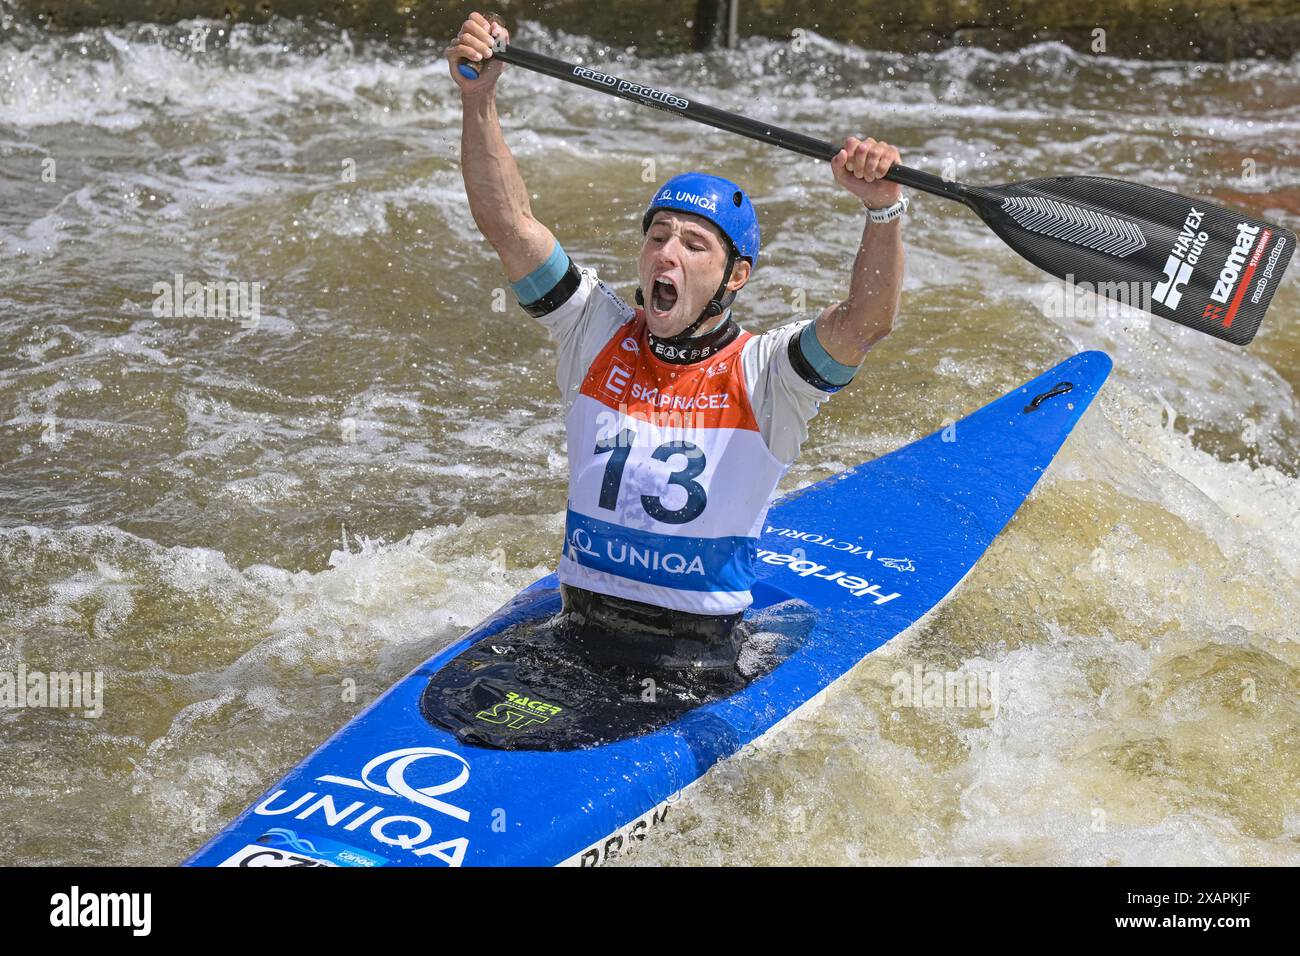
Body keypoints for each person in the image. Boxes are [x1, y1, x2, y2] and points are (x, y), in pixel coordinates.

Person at [446, 12, 905, 674]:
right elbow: (509, 224)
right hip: (576, 629)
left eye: (694, 244)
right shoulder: (593, 331)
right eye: (658, 235)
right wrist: (479, 99)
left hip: (694, 659)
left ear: (735, 276)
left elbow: (866, 321)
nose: (667, 252)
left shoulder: (767, 374)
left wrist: (882, 208)